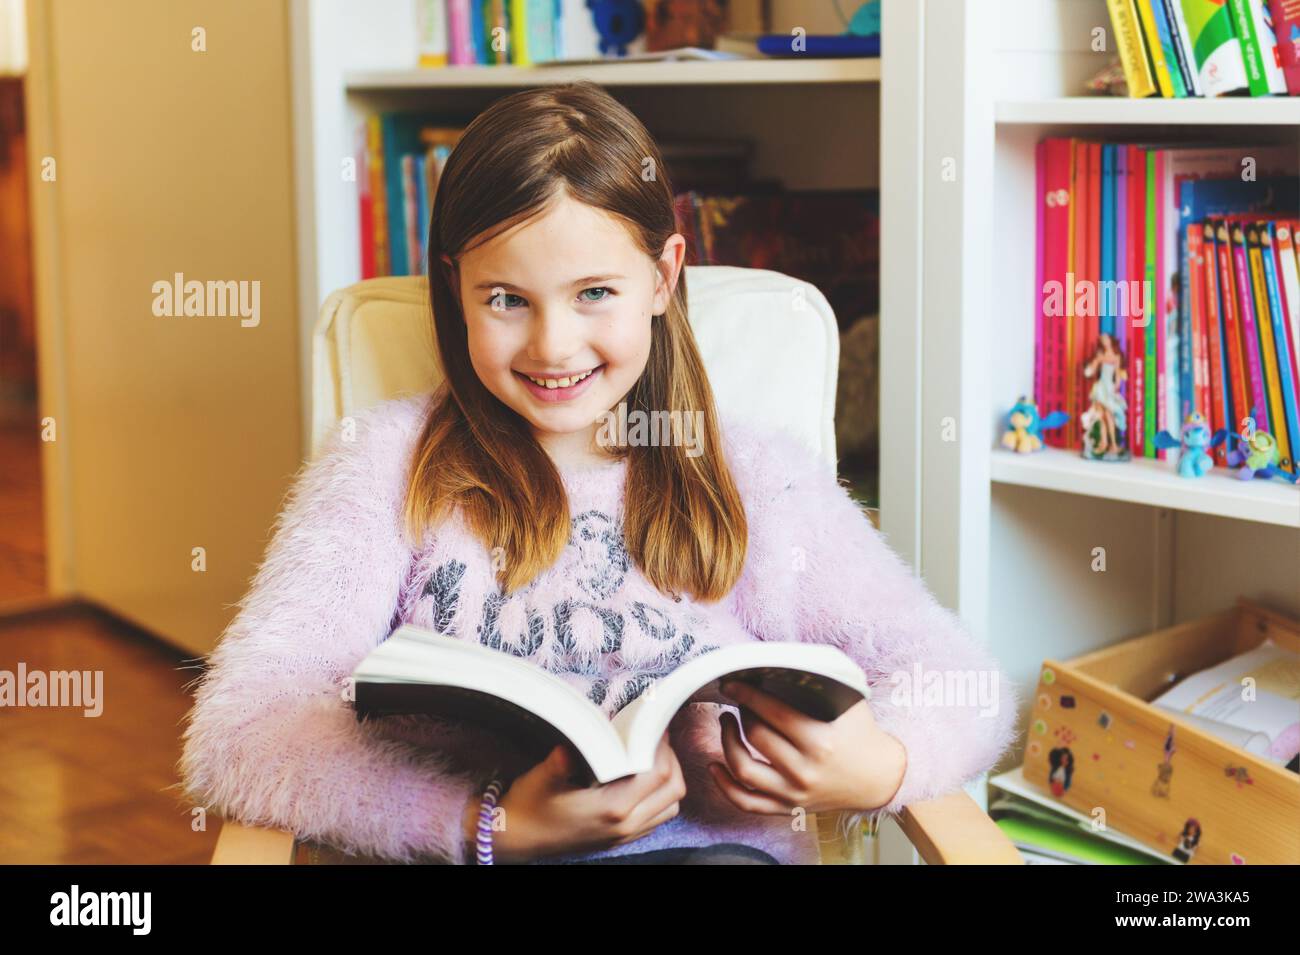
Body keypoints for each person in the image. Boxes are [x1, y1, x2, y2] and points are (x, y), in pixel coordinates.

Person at [177, 81, 1019, 866]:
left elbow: (963, 681)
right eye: (506, 299)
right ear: (455, 289)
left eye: (593, 293)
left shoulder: (759, 477)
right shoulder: (388, 464)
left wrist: (880, 767)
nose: (552, 346)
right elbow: (241, 731)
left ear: (661, 277)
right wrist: (483, 822)